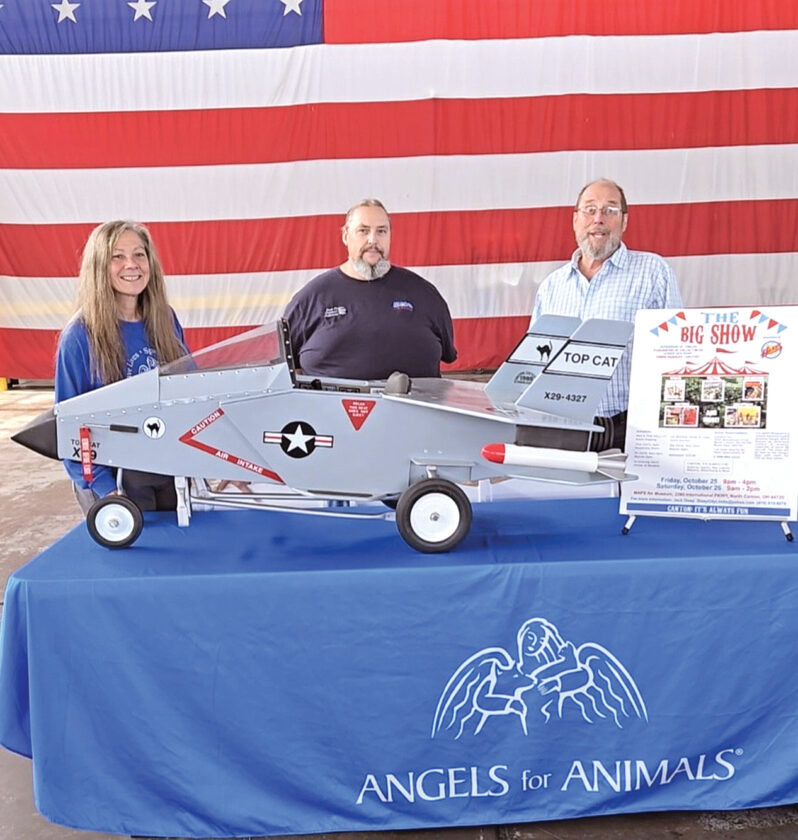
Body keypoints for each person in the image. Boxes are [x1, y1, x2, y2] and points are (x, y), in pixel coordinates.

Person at [531, 179, 683, 449]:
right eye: (589, 210)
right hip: (560, 430)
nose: (598, 219)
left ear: (624, 221)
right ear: (575, 220)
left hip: (628, 430)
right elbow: (533, 363)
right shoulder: (552, 286)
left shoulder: (654, 273)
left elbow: (678, 355)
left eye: (610, 210)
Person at [54, 220, 188, 513]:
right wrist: (107, 489)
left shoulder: (165, 320)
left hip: (167, 467)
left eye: (139, 254)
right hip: (113, 479)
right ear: (99, 267)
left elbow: (191, 395)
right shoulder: (80, 336)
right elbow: (68, 427)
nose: (132, 264)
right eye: (118, 256)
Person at [284, 198, 457, 380]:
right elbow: (284, 368)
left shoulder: (425, 295)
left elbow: (446, 355)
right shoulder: (310, 299)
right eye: (363, 231)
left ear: (390, 236)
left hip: (416, 399)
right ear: (345, 236)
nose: (373, 240)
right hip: (328, 400)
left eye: (381, 231)